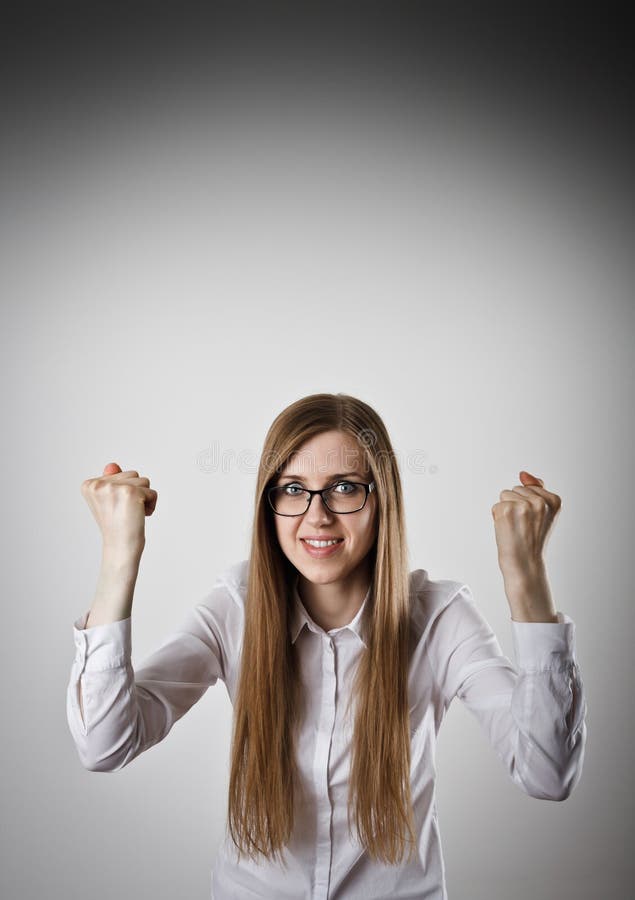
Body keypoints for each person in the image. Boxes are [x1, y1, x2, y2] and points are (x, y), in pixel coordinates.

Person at [66, 392, 587, 899]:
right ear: (268, 507)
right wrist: (119, 556)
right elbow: (106, 744)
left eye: (343, 487)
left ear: (382, 500)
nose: (317, 516)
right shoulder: (236, 609)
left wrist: (525, 577)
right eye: (293, 489)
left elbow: (547, 772)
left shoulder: (440, 618)